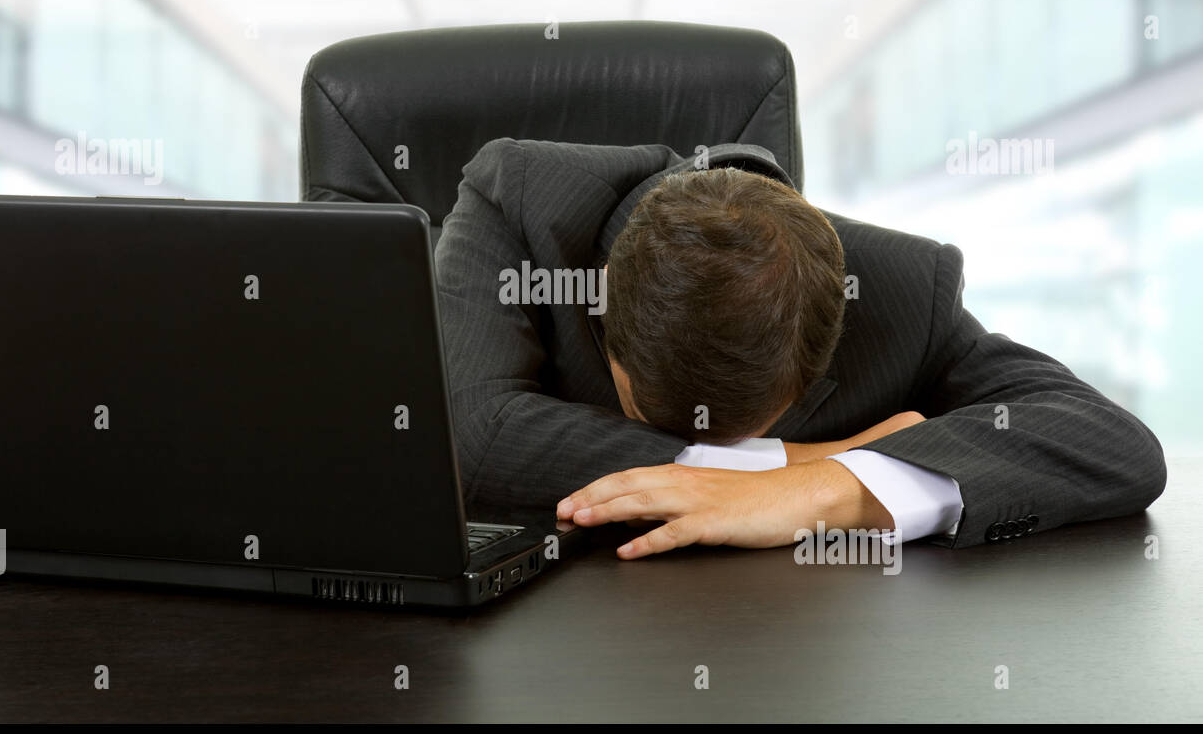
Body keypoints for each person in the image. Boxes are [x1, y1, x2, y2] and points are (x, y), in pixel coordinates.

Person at [434, 138, 1167, 559]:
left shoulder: (903, 291)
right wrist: (792, 460)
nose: (692, 446)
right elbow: (462, 430)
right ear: (604, 310)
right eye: (644, 412)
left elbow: (1112, 443)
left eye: (752, 431)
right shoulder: (520, 199)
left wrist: (837, 491)